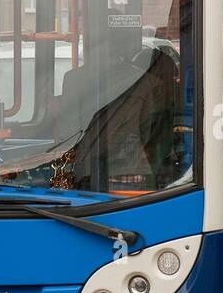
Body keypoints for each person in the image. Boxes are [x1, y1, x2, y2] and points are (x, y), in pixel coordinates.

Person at [54, 34, 179, 191]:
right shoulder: (149, 83)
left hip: (85, 171)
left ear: (87, 47)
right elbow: (154, 137)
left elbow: (66, 136)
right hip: (134, 174)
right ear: (122, 48)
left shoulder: (74, 79)